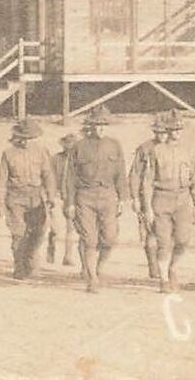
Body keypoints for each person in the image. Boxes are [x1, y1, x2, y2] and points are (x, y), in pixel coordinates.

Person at [62, 105, 127, 293]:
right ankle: (92, 278)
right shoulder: (79, 147)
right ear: (90, 126)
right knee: (89, 239)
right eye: (97, 125)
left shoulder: (114, 145)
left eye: (103, 125)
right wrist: (70, 203)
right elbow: (69, 177)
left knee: (110, 238)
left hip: (108, 196)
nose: (100, 129)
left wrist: (122, 198)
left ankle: (98, 268)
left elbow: (121, 173)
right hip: (85, 197)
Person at [142, 111, 195, 293]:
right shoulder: (156, 151)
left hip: (183, 200)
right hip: (162, 199)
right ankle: (164, 280)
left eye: (179, 129)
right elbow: (147, 181)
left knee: (183, 240)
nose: (176, 133)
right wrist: (148, 209)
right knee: (163, 242)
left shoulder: (188, 151)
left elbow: (194, 180)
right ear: (167, 130)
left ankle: (173, 268)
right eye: (173, 129)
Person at [0, 117, 56, 279]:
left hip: (36, 196)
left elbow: (48, 175)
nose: (26, 141)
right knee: (18, 233)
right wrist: (0, 203)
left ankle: (30, 259)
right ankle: (19, 266)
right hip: (15, 197)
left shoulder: (41, 151)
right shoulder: (8, 153)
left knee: (38, 232)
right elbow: (1, 181)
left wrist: (51, 195)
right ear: (17, 136)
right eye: (23, 138)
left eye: (30, 138)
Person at [128, 112, 165, 280]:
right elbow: (135, 174)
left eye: (165, 132)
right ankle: (153, 265)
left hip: (168, 195)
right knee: (150, 231)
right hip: (148, 195)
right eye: (159, 131)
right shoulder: (145, 148)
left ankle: (164, 264)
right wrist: (135, 198)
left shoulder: (174, 148)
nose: (162, 135)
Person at [47, 133, 78, 266]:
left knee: (71, 227)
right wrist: (51, 195)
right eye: (67, 144)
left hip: (72, 197)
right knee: (56, 228)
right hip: (57, 196)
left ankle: (68, 256)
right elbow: (49, 178)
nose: (69, 147)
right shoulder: (55, 159)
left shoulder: (80, 162)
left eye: (72, 145)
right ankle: (51, 247)